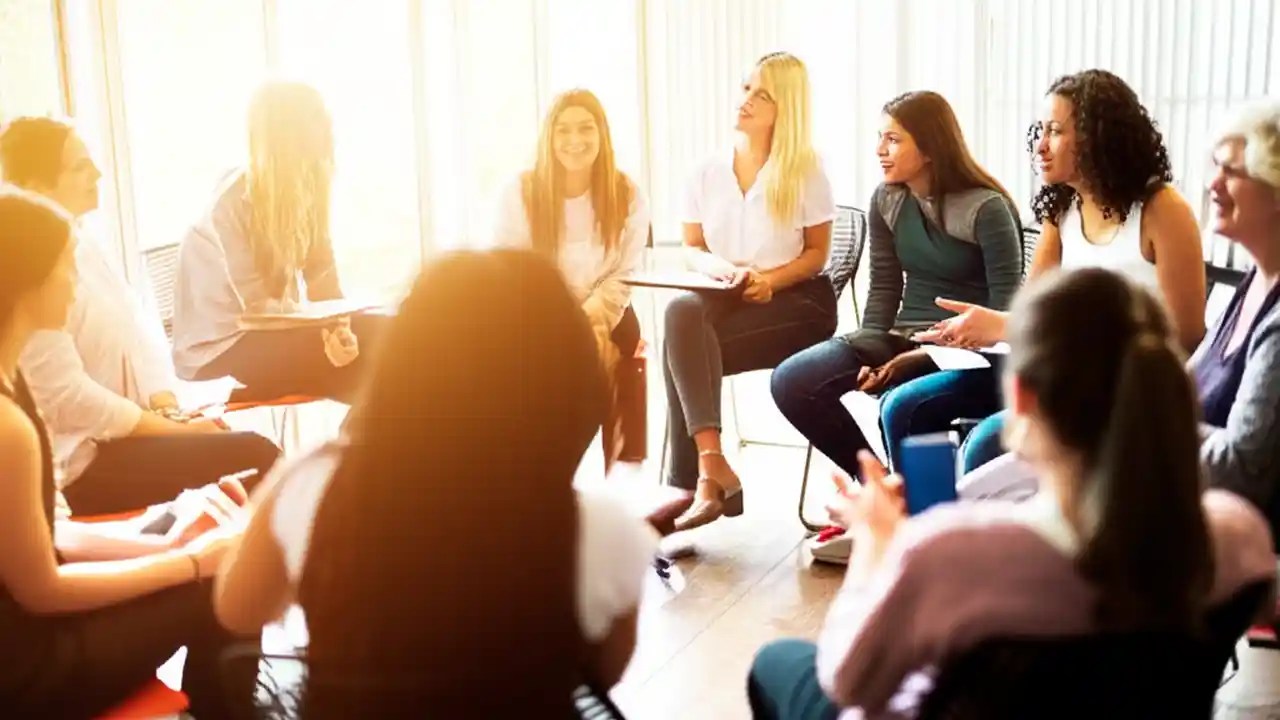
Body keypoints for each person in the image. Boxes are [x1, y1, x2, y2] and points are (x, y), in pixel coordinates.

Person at [747, 268, 1274, 720]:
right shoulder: (1238, 538)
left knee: (775, 663)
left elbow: (848, 678)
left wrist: (877, 544)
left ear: (1021, 396)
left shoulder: (950, 554)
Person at [213, 250, 662, 716]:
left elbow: (237, 610)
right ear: (567, 384)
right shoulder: (603, 532)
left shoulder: (313, 484)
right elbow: (600, 676)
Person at [0, 189, 254, 718]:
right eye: (67, 267)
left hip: (29, 630)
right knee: (214, 585)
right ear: (29, 280)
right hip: (27, 670)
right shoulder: (8, 428)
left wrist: (171, 544)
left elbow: (49, 534)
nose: (76, 284)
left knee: (193, 543)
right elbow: (42, 588)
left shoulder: (13, 379)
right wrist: (191, 562)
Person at [880, 69, 1207, 476]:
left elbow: (1187, 334)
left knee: (984, 445)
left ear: (1097, 136)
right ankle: (924, 532)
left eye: (1055, 131)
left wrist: (1015, 330)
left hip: (1125, 389)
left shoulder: (1162, 210)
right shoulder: (1062, 210)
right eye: (1040, 130)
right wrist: (983, 324)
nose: (1040, 145)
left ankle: (973, 533)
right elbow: (1033, 315)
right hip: (1060, 376)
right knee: (902, 409)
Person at [0, 117, 280, 515]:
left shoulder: (82, 243)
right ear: (35, 188)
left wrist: (169, 410)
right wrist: (173, 431)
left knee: (245, 450)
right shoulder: (30, 276)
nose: (97, 173)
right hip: (84, 464)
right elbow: (67, 397)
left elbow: (137, 334)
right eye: (80, 167)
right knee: (257, 455)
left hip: (124, 437)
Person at [770, 90, 1023, 478]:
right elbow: (885, 286)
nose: (879, 150)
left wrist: (918, 358)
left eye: (893, 139)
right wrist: (873, 347)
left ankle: (915, 507)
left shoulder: (986, 208)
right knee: (793, 381)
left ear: (930, 148)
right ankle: (882, 486)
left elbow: (1005, 308)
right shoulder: (887, 200)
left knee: (903, 403)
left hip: (970, 350)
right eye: (879, 137)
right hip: (904, 334)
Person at [664, 51, 837, 532]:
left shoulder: (805, 169)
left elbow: (817, 254)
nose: (745, 101)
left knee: (683, 351)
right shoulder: (705, 169)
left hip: (797, 301)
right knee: (680, 313)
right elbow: (692, 246)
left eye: (762, 95)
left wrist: (770, 280)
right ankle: (710, 468)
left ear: (785, 108)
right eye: (745, 88)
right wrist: (719, 269)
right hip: (728, 294)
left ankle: (686, 488)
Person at [172, 80, 384, 403]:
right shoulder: (229, 207)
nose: (329, 138)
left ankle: (373, 445)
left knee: (392, 335)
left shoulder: (308, 189)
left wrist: (342, 329)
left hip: (280, 329)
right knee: (356, 366)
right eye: (318, 127)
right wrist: (325, 340)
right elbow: (261, 314)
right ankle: (370, 447)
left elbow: (325, 286)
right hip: (220, 349)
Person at [494, 88, 650, 462]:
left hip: (607, 313)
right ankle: (545, 469)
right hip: (535, 316)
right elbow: (509, 274)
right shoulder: (519, 191)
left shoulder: (626, 192)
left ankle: (621, 475)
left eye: (585, 129)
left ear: (602, 135)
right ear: (549, 137)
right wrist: (566, 326)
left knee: (613, 350)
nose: (575, 140)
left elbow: (625, 273)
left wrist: (589, 319)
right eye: (563, 130)